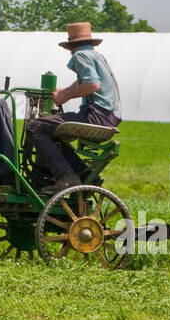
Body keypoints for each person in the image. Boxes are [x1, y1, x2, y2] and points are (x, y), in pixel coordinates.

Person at [27, 22, 122, 196]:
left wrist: (67, 96)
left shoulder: (80, 56)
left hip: (96, 116)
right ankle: (86, 176)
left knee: (35, 127)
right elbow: (84, 81)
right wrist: (64, 91)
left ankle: (66, 177)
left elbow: (92, 85)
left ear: (71, 46)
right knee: (54, 135)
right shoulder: (95, 55)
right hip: (108, 116)